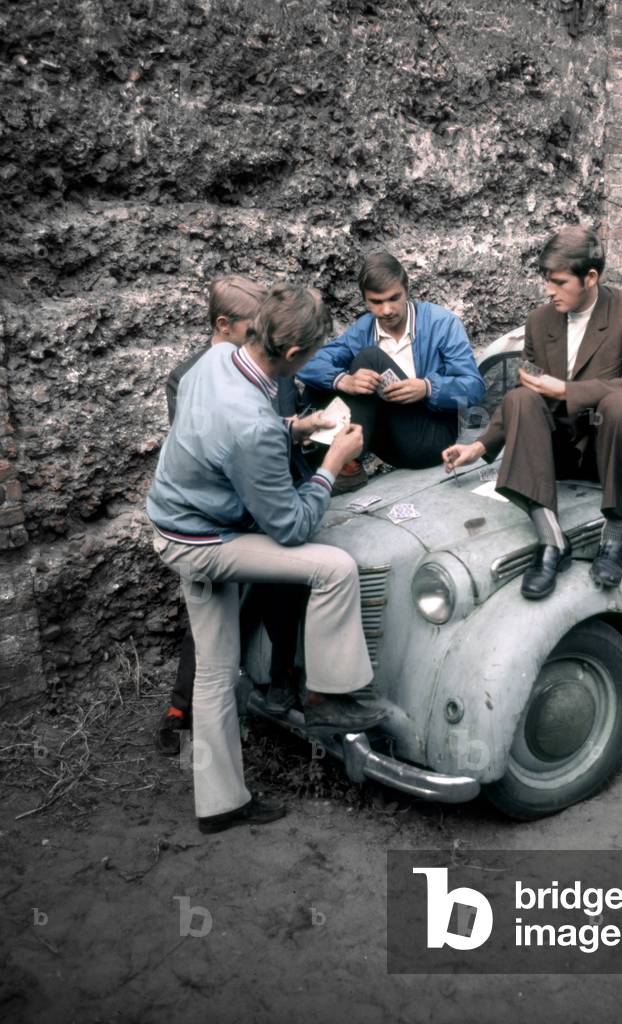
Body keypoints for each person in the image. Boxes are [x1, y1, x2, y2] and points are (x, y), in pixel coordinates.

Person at [147, 283, 384, 834]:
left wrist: (300, 425)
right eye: (316, 353)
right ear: (295, 355)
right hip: (203, 543)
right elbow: (293, 527)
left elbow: (231, 427)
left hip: (174, 524)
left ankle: (220, 803)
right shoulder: (251, 426)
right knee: (333, 567)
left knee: (211, 673)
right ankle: (326, 695)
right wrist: (334, 462)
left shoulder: (216, 357)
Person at [442, 227, 622, 599]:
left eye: (559, 282)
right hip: (552, 455)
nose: (549, 290)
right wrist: (478, 447)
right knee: (521, 398)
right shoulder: (540, 321)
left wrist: (567, 390)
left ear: (590, 278)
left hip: (606, 451)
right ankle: (552, 541)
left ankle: (613, 539)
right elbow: (524, 395)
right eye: (546, 280)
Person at [155, 276, 307, 757]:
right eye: (252, 328)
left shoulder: (269, 358)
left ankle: (283, 681)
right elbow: (215, 449)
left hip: (269, 498)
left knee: (287, 577)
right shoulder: (189, 375)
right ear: (224, 326)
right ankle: (183, 712)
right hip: (220, 521)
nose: (262, 337)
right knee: (213, 616)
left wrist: (301, 432)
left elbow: (274, 428)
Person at [297, 251, 485, 491]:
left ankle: (336, 464)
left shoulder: (442, 323)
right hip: (388, 438)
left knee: (369, 358)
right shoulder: (364, 329)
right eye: (376, 302)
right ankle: (341, 466)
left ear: (406, 290)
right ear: (365, 300)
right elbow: (307, 362)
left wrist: (427, 388)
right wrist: (343, 381)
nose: (386, 310)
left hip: (431, 436)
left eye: (394, 298)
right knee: (323, 383)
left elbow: (474, 387)